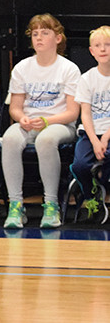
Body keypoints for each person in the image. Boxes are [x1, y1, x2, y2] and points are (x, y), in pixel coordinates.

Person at [1, 14, 79, 229]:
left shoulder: (69, 69)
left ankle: (51, 204)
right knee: (9, 138)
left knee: (45, 140)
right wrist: (21, 118)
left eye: (45, 33)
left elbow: (72, 112)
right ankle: (16, 205)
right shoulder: (21, 68)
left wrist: (47, 120)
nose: (39, 38)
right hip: (29, 124)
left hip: (60, 124)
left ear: (58, 38)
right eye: (35, 34)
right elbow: (15, 108)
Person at [69, 25, 110, 223]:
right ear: (92, 51)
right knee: (79, 165)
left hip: (109, 133)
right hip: (91, 133)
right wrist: (95, 140)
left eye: (108, 45)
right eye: (98, 46)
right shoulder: (86, 79)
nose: (103, 49)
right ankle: (90, 194)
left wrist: (106, 138)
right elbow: (85, 113)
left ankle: (101, 184)